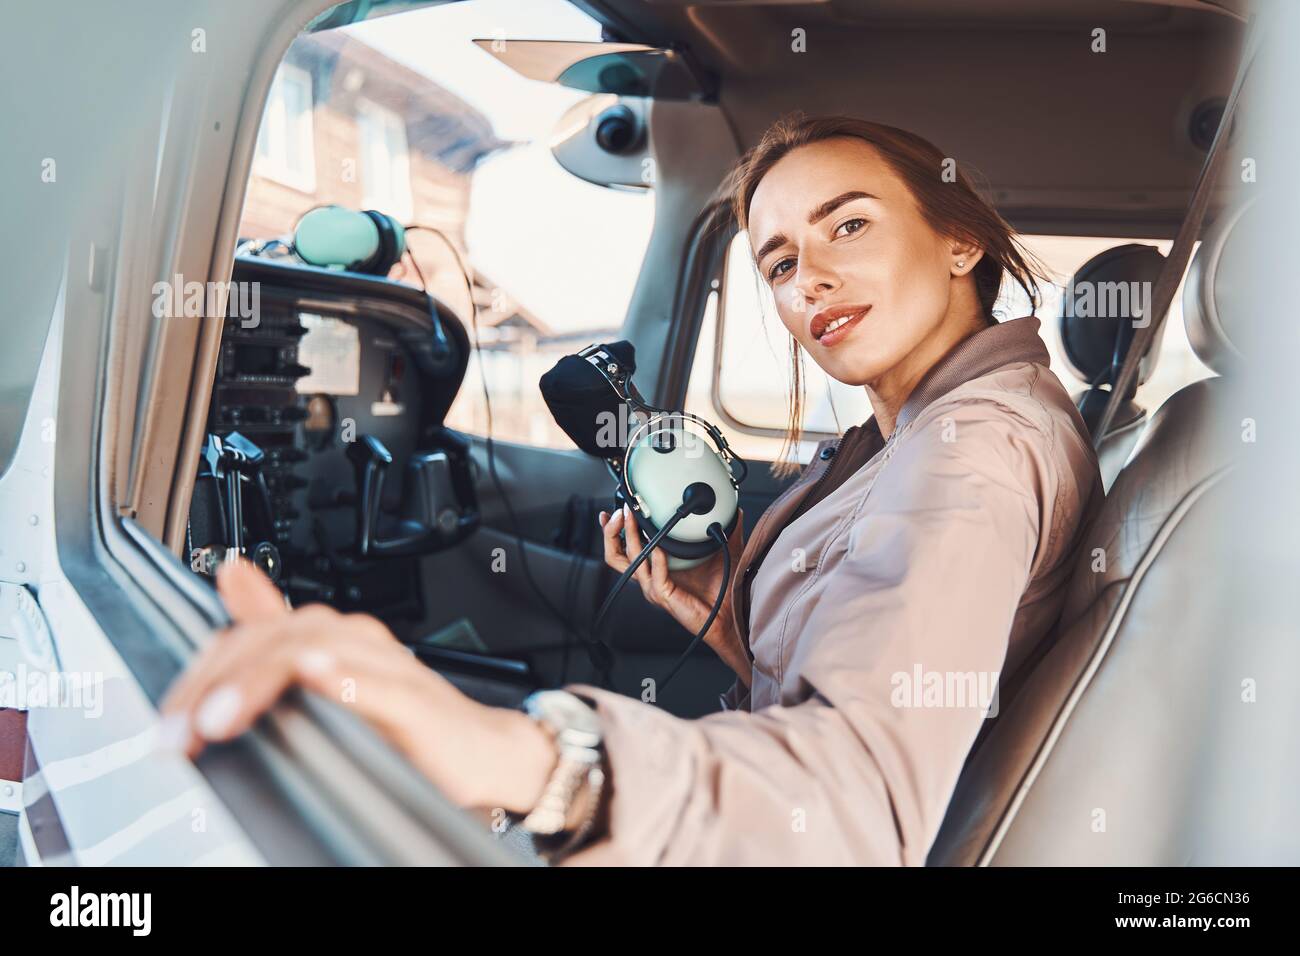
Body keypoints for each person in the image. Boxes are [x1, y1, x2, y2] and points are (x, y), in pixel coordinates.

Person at [161, 114, 1103, 866]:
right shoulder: (913, 435)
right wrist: (733, 622)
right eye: (778, 262)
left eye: (848, 224)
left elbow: (851, 801)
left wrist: (536, 758)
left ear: (960, 242)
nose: (809, 276)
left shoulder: (969, 451)